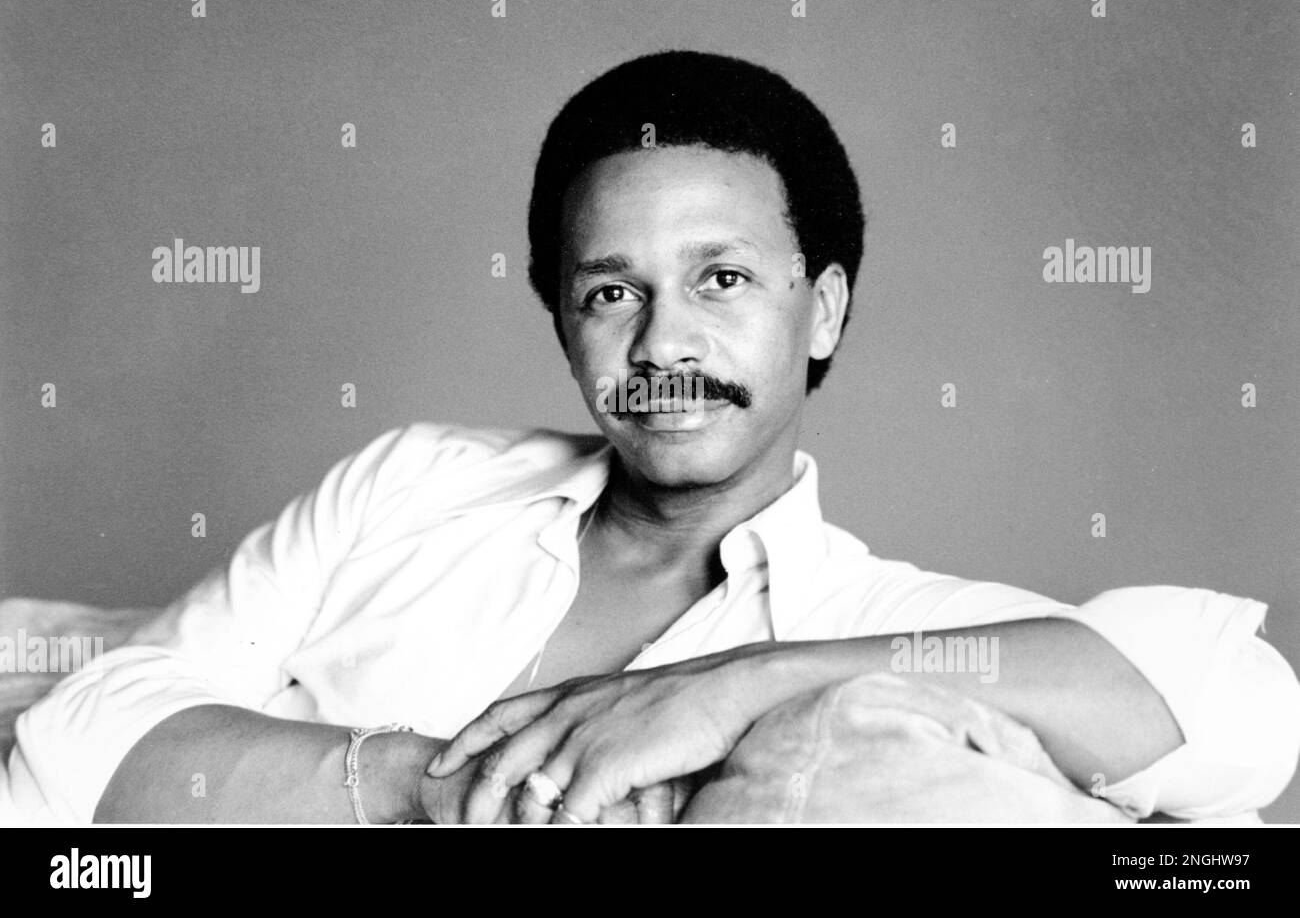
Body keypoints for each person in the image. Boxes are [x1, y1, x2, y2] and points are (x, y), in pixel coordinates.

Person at [8, 51, 1299, 824]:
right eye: (612, 290)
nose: (663, 344)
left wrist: (726, 688)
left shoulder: (870, 618)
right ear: (561, 312)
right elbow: (79, 740)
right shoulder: (415, 483)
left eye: (723, 279)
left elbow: (1241, 704)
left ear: (824, 306)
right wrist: (435, 785)